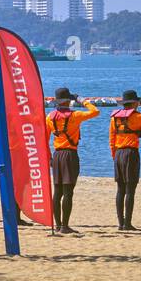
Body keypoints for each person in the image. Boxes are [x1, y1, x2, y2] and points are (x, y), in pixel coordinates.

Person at [45, 86, 99, 234]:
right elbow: (95, 111)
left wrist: (49, 157)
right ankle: (65, 226)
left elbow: (44, 140)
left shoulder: (49, 117)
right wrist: (81, 100)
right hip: (70, 154)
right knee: (68, 192)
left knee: (57, 192)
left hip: (56, 155)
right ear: (68, 101)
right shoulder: (75, 116)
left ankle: (58, 225)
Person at [108, 89, 141, 231]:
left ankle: (120, 223)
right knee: (130, 189)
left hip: (118, 153)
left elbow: (111, 139)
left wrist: (114, 156)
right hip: (131, 153)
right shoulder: (137, 117)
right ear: (135, 103)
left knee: (120, 189)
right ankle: (127, 223)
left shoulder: (114, 118)